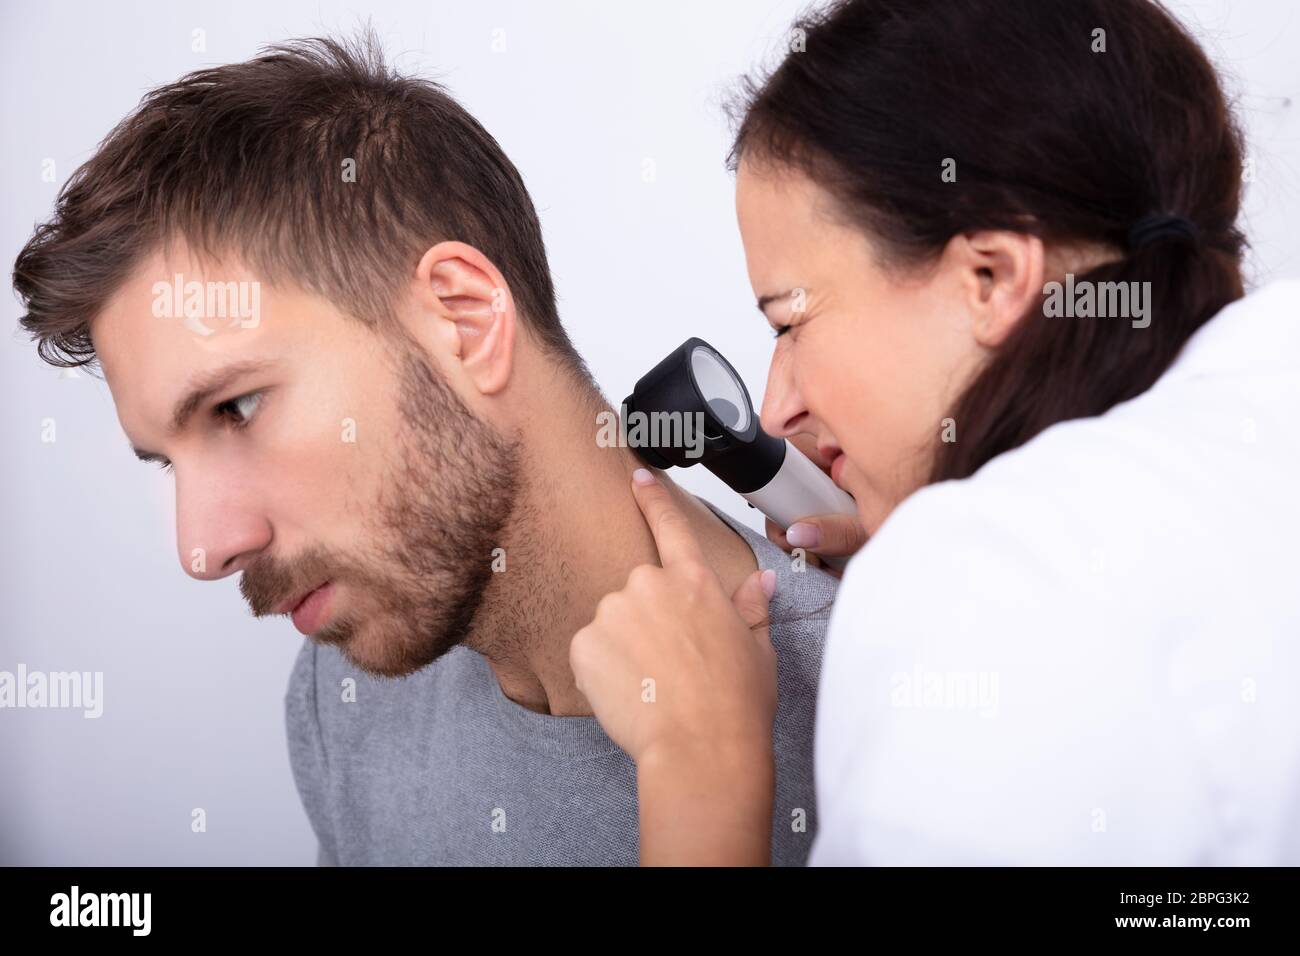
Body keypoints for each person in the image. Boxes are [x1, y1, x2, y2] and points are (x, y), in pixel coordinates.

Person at [10, 35, 838, 865]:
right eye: (166, 460)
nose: (205, 548)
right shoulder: (348, 695)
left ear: (464, 321)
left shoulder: (873, 701)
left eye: (238, 405)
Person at [570, 0, 1300, 864]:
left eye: (789, 323)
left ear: (990, 279)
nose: (776, 411)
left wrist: (701, 762)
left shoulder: (978, 584)